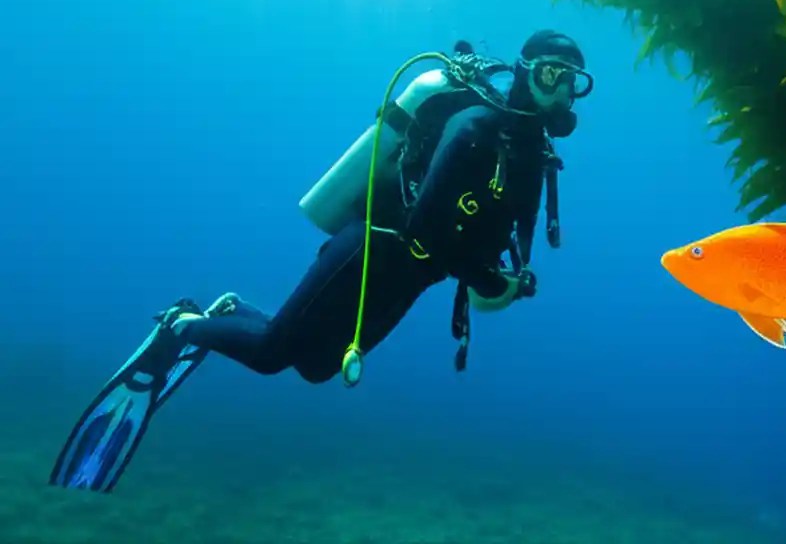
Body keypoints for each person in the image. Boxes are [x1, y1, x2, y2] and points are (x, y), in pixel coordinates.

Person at [49, 30, 593, 493]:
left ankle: (232, 310)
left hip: (415, 277)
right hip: (372, 248)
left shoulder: (535, 158)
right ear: (525, 72)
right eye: (551, 74)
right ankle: (184, 324)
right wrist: (481, 272)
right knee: (268, 356)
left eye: (573, 81)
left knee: (315, 368)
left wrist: (509, 280)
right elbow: (427, 224)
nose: (562, 90)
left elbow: (500, 243)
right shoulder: (473, 128)